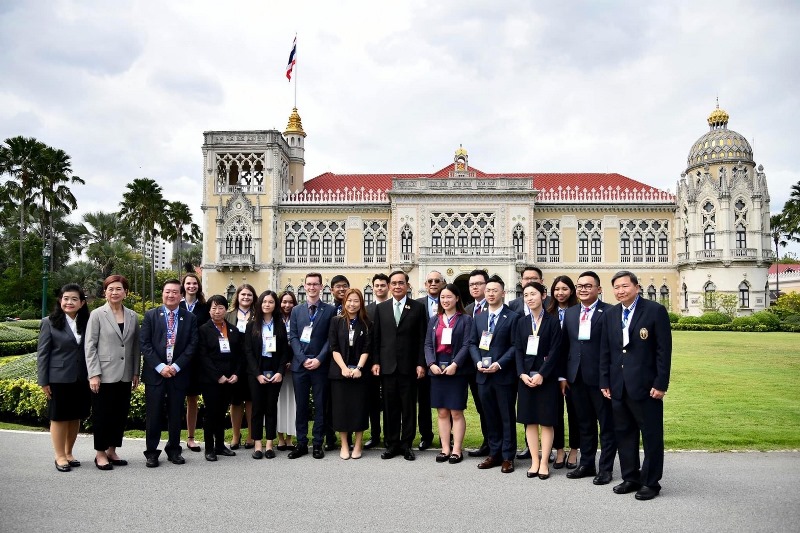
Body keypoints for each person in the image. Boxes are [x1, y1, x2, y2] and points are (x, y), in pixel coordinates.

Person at [600, 270, 672, 501]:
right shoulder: (611, 314)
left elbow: (663, 351)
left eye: (625, 286)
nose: (620, 291)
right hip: (618, 386)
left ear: (637, 287)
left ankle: (651, 482)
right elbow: (606, 351)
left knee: (651, 436)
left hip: (646, 386)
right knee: (624, 434)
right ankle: (631, 477)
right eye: (616, 287)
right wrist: (605, 381)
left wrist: (661, 384)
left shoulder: (654, 311)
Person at [564, 271, 617, 485]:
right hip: (576, 377)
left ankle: (605, 469)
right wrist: (563, 376)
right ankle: (586, 464)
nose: (583, 289)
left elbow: (614, 349)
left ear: (599, 289)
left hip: (601, 380)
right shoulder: (570, 313)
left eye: (588, 285)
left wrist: (609, 378)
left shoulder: (610, 312)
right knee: (584, 424)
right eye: (580, 286)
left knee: (606, 425)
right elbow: (566, 346)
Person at [140, 279, 198, 467]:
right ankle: (151, 452)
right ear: (162, 294)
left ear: (181, 296)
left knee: (176, 414)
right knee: (154, 414)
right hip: (155, 374)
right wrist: (160, 367)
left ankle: (174, 450)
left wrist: (176, 366)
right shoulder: (151, 315)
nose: (171, 295)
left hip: (178, 373)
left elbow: (192, 345)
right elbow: (145, 344)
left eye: (175, 292)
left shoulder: (189, 318)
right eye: (167, 292)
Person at [85, 275, 141, 470]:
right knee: (102, 414)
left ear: (125, 292)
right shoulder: (98, 314)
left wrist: (135, 372)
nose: (115, 292)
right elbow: (90, 346)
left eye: (119, 289)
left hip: (125, 374)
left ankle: (112, 450)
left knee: (119, 414)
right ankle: (100, 453)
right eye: (111, 289)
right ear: (105, 293)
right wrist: (93, 373)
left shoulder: (132, 316)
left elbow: (135, 347)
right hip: (104, 374)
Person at [372, 270, 427, 461]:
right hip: (387, 366)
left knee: (409, 407)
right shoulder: (382, 309)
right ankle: (392, 444)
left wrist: (421, 363)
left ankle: (406, 445)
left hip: (410, 367)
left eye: (401, 283)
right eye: (393, 283)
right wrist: (376, 361)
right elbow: (376, 338)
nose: (397, 286)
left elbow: (422, 338)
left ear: (407, 286)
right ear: (389, 286)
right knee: (390, 407)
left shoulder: (418, 308)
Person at [37, 283, 91, 472]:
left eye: (74, 299)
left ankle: (69, 453)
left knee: (75, 417)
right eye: (66, 298)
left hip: (81, 378)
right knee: (59, 417)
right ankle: (59, 456)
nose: (69, 302)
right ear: (60, 301)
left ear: (82, 303)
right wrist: (43, 381)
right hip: (58, 378)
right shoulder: (49, 322)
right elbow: (43, 354)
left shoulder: (88, 322)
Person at [469, 275, 519, 474]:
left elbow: (516, 346)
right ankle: (494, 452)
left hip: (503, 375)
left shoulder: (513, 317)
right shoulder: (479, 317)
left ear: (503, 293)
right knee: (489, 416)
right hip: (483, 375)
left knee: (506, 416)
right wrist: (478, 361)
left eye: (494, 290)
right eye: (488, 290)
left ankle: (508, 456)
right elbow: (472, 343)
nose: (490, 293)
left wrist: (499, 364)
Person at [516, 281, 563, 480]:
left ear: (543, 296)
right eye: (526, 295)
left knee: (546, 421)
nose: (529, 298)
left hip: (546, 379)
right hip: (526, 379)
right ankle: (534, 460)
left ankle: (544, 462)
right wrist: (521, 373)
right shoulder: (522, 322)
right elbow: (517, 349)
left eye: (533, 294)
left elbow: (555, 351)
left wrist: (542, 374)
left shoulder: (553, 322)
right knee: (530, 421)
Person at [424, 284, 473, 464]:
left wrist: (455, 364)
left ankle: (457, 450)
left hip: (456, 371)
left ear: (457, 298)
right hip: (437, 370)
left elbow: (467, 344)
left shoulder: (465, 320)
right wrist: (431, 364)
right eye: (442, 297)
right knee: (442, 412)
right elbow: (428, 345)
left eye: (449, 297)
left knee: (456, 412)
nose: (445, 300)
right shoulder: (435, 320)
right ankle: (445, 448)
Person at [288, 272, 336, 459]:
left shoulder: (330, 310)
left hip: (320, 366)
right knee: (301, 406)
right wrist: (302, 358)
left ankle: (317, 443)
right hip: (300, 367)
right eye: (309, 284)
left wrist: (319, 359)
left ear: (321, 286)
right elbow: (292, 336)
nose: (312, 287)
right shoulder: (296, 311)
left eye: (316, 284)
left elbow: (330, 339)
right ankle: (301, 443)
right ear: (305, 286)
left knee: (320, 406)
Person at [245, 291, 291, 460]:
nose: (267, 304)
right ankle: (258, 444)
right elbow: (248, 351)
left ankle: (270, 444)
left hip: (274, 369)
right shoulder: (252, 325)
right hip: (256, 370)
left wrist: (280, 372)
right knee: (257, 408)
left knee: (271, 408)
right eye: (264, 301)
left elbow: (284, 351)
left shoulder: (280, 325)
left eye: (271, 302)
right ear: (260, 304)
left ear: (275, 305)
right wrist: (257, 374)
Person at [196, 294, 241, 461]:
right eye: (213, 308)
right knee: (211, 413)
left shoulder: (233, 330)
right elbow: (203, 357)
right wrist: (218, 376)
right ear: (209, 310)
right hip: (211, 380)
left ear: (226, 309)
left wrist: (236, 373)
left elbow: (239, 355)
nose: (217, 311)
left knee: (222, 413)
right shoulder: (203, 330)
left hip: (230, 379)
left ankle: (220, 445)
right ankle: (209, 448)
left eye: (220, 307)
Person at [328, 288, 372, 459]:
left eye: (356, 301)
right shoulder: (336, 322)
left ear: (361, 303)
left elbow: (367, 348)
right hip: (340, 374)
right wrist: (344, 368)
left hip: (360, 374)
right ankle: (344, 445)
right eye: (349, 300)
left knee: (359, 409)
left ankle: (358, 445)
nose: (352, 304)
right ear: (344, 302)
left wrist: (359, 368)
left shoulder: (367, 323)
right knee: (341, 410)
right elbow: (334, 347)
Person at [546, 275, 580, 470]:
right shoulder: (547, 313)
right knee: (554, 412)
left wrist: (565, 376)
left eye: (564, 289)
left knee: (575, 412)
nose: (560, 293)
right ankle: (559, 449)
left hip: (573, 370)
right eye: (557, 289)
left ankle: (574, 449)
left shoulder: (577, 312)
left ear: (571, 291)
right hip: (551, 371)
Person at [414, 270, 444, 450]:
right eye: (430, 281)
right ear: (425, 285)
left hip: (445, 360)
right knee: (423, 401)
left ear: (442, 283)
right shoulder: (417, 305)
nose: (433, 283)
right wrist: (420, 362)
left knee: (445, 402)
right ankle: (426, 436)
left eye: (437, 281)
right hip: (424, 361)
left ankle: (445, 436)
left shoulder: (449, 303)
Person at [180, 272, 210, 453]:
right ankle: (175, 437)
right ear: (183, 286)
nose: (191, 286)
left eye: (194, 283)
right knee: (176, 401)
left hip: (198, 360)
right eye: (188, 283)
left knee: (193, 400)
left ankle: (191, 437)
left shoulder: (204, 308)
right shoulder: (176, 305)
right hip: (178, 359)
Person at [226, 283, 256, 449]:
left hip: (253, 363)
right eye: (243, 294)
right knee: (236, 401)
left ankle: (251, 436)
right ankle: (236, 435)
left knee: (251, 400)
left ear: (253, 298)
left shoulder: (258, 315)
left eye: (249, 295)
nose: (246, 297)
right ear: (237, 296)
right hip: (234, 364)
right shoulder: (229, 315)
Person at [463, 269, 490, 457]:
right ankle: (487, 442)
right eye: (472, 284)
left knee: (492, 407)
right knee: (481, 407)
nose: (475, 287)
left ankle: (500, 445)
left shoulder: (495, 307)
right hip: (472, 367)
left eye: (478, 283)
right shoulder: (467, 310)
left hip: (491, 366)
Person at [364, 273, 390, 449]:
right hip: (371, 363)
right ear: (373, 288)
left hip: (390, 362)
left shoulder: (393, 307)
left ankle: (389, 435)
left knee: (389, 401)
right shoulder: (367, 310)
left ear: (387, 287)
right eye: (377, 285)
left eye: (382, 285)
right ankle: (374, 435)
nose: (380, 288)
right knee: (372, 401)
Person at [326, 274, 350, 450]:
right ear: (332, 290)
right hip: (329, 361)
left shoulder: (354, 309)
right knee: (329, 402)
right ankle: (330, 437)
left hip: (349, 362)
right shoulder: (327, 310)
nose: (341, 289)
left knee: (347, 402)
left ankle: (347, 438)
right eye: (338, 287)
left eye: (344, 286)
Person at [275, 290, 298, 451]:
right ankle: (280, 437)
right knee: (277, 402)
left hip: (294, 366)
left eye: (290, 302)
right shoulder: (273, 320)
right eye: (284, 302)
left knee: (292, 402)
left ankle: (290, 437)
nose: (287, 305)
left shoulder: (297, 318)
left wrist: (293, 361)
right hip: (277, 368)